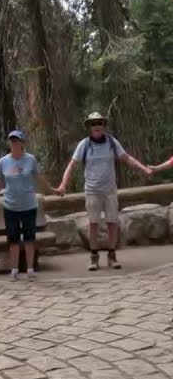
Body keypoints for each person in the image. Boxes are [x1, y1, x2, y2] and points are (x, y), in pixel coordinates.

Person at [53, 112, 152, 271]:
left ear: (104, 126)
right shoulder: (84, 145)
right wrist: (63, 184)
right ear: (89, 128)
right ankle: (94, 256)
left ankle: (112, 255)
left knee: (112, 222)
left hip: (110, 190)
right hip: (92, 191)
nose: (97, 126)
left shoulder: (112, 143)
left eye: (99, 123)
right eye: (93, 123)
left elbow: (126, 158)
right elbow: (72, 166)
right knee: (93, 224)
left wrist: (143, 168)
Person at [0, 130, 55, 282]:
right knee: (13, 239)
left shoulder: (30, 160)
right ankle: (14, 269)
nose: (14, 143)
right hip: (10, 206)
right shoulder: (3, 161)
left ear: (22, 143)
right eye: (12, 141)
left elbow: (38, 177)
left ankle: (30, 269)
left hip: (28, 205)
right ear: (9, 143)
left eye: (17, 140)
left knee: (29, 238)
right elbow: (0, 183)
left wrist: (53, 189)